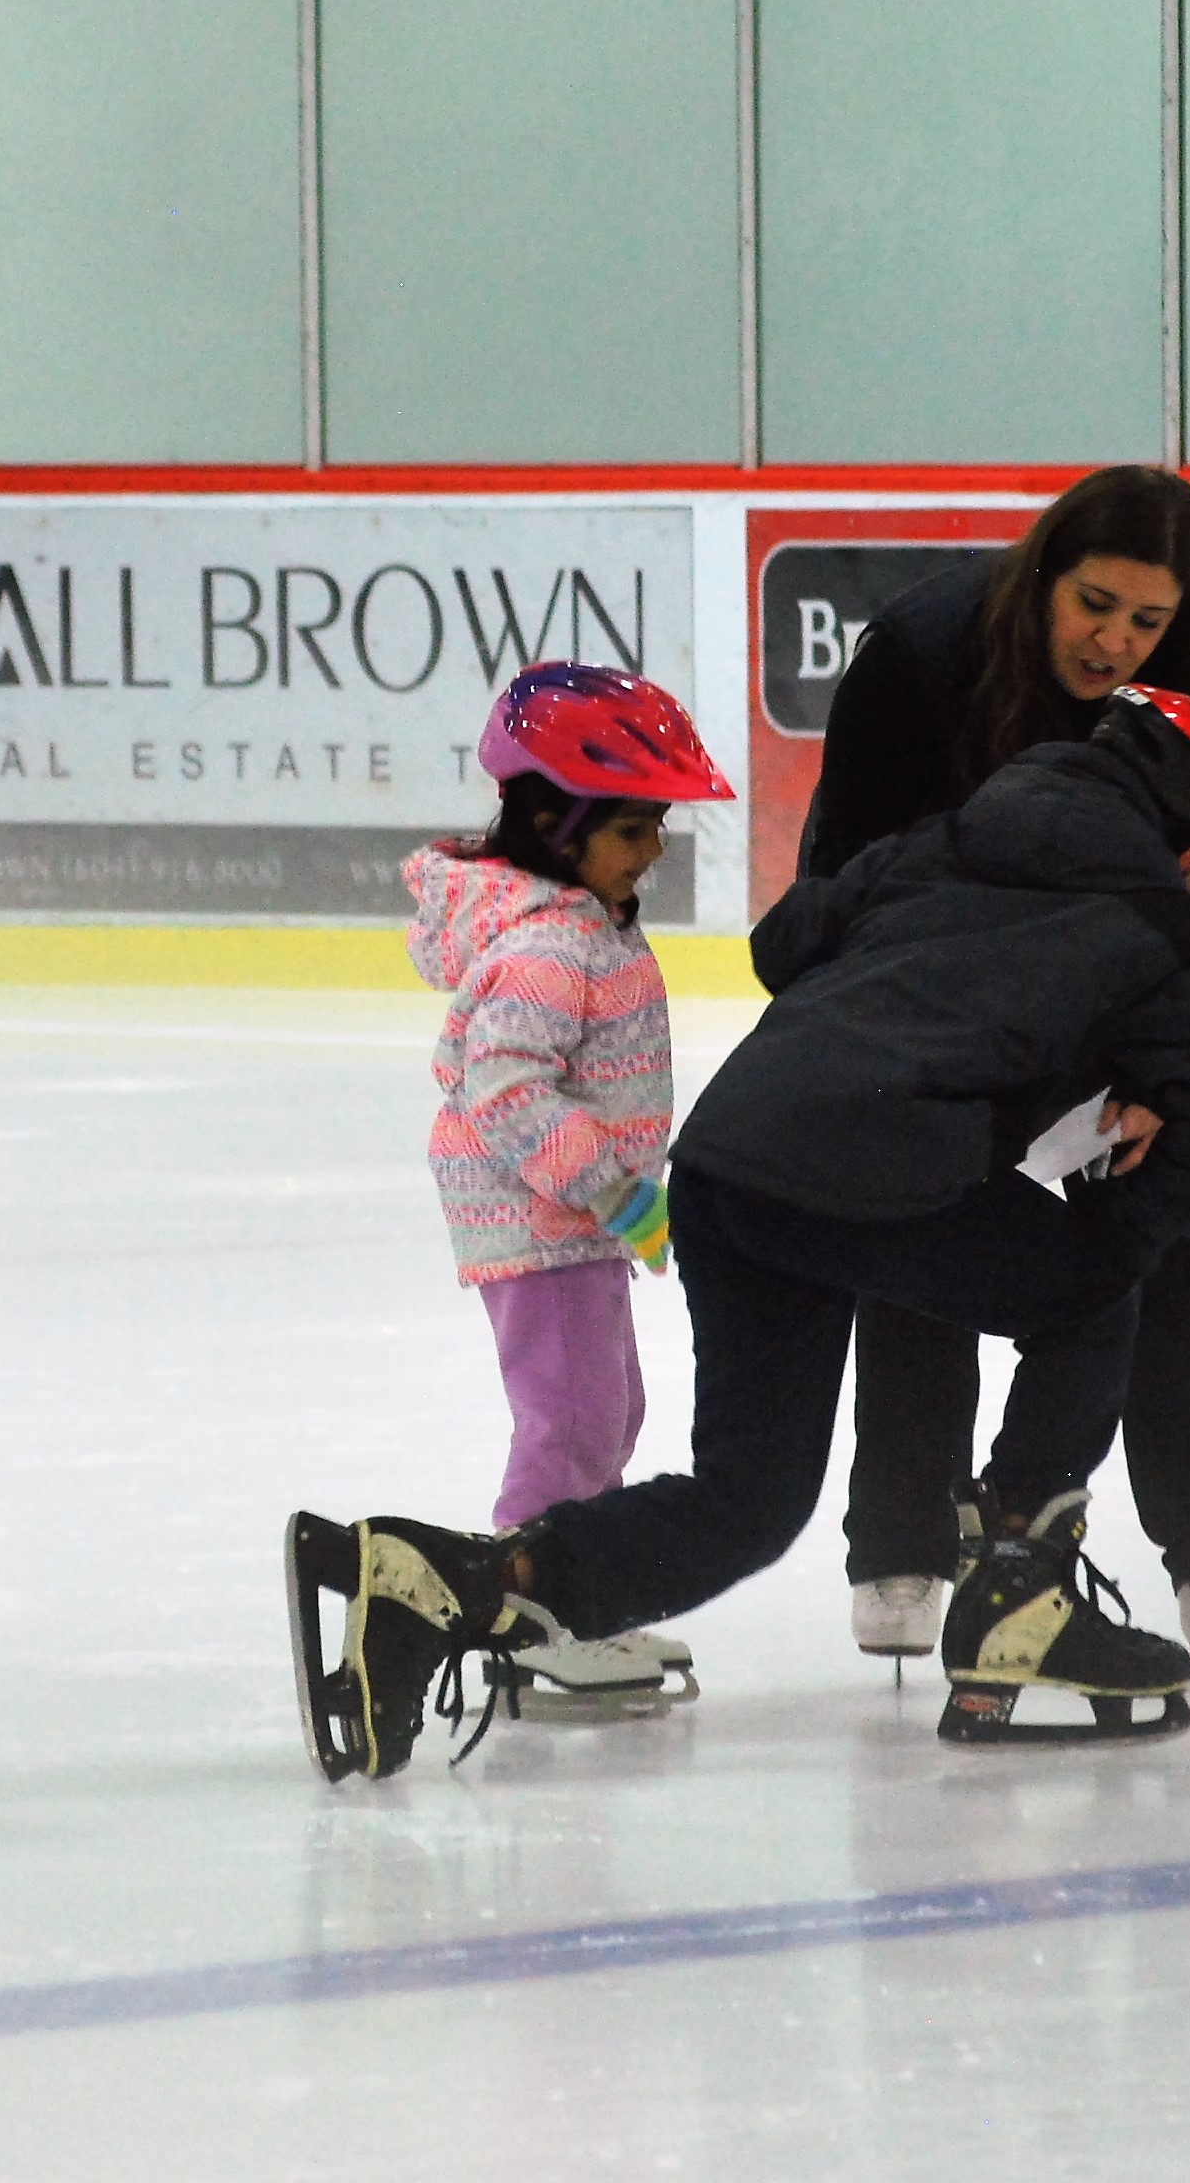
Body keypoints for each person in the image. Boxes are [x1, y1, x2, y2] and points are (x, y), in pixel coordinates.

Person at [286, 685, 1190, 1779]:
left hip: (733, 1166)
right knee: (1100, 1283)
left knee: (746, 1501)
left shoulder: (941, 844)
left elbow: (785, 943)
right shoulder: (1155, 926)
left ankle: (455, 1582)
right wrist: (1114, 1208)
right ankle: (1019, 1593)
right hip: (874, 1169)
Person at [800, 465, 1190, 1668]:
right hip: (933, 995)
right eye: (1093, 604)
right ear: (1042, 574)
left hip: (1124, 1001)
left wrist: (1177, 1076)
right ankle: (900, 1547)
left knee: (1161, 1230)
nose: (1116, 642)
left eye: (1147, 621)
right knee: (915, 1230)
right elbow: (841, 867)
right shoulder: (920, 656)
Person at [400, 663, 736, 1719]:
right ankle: (522, 1613)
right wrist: (610, 1191)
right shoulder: (549, 944)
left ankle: (572, 1591)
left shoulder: (582, 919)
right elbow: (501, 1089)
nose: (655, 853)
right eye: (634, 830)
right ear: (553, 822)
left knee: (606, 1411)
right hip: (543, 1218)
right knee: (569, 1422)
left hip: (567, 1218)